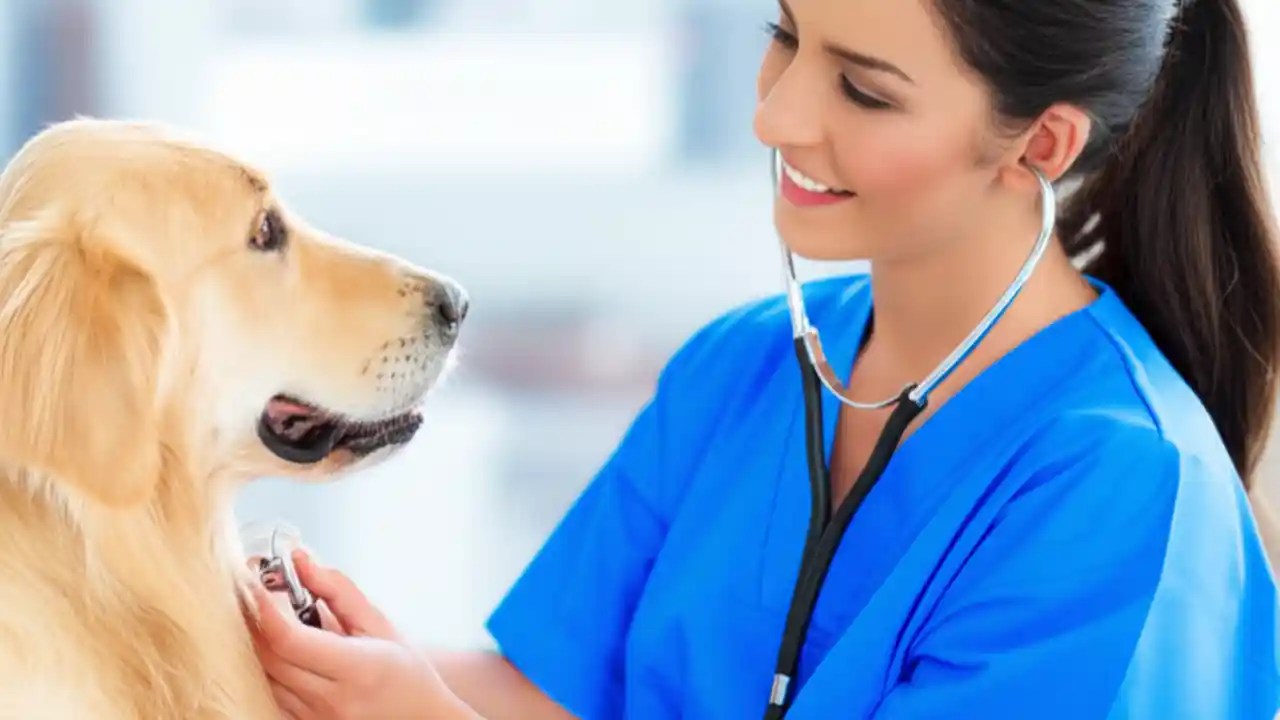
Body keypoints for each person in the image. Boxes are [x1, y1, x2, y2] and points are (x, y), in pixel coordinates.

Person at [246, 0, 1280, 717]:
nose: (774, 114)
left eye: (863, 91)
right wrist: (302, 661)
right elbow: (555, 692)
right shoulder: (738, 370)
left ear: (1038, 146)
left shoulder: (1123, 488)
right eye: (785, 36)